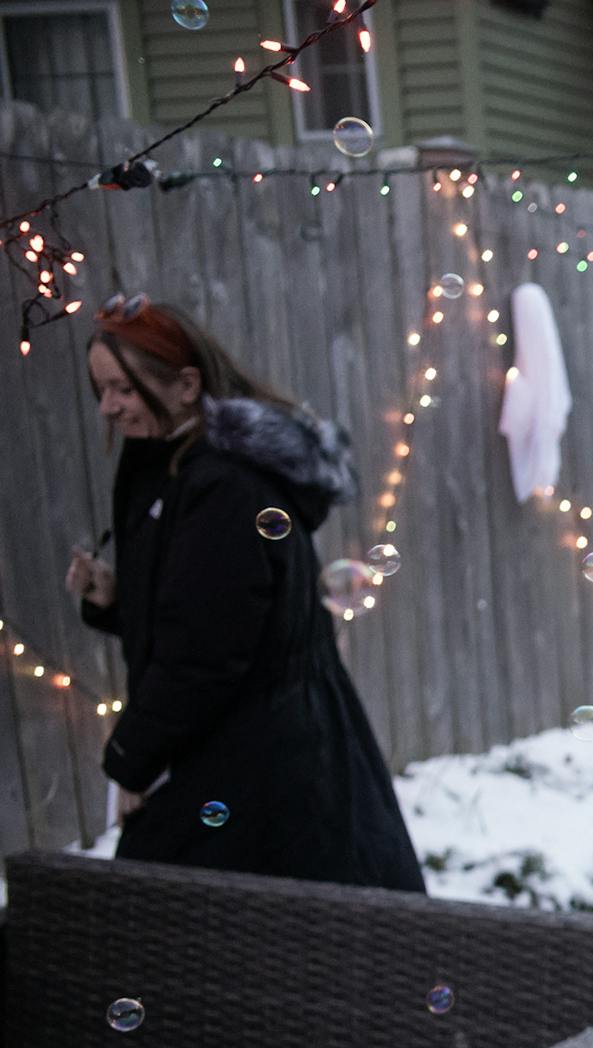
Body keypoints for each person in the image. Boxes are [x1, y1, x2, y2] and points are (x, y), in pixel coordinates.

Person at [69, 297, 423, 892]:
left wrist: (130, 762)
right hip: (250, 752)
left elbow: (203, 655)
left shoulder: (225, 488)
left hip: (267, 767)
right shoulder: (177, 464)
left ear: (186, 385)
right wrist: (116, 599)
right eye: (100, 391)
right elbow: (200, 608)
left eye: (122, 390)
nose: (108, 408)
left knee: (240, 936)